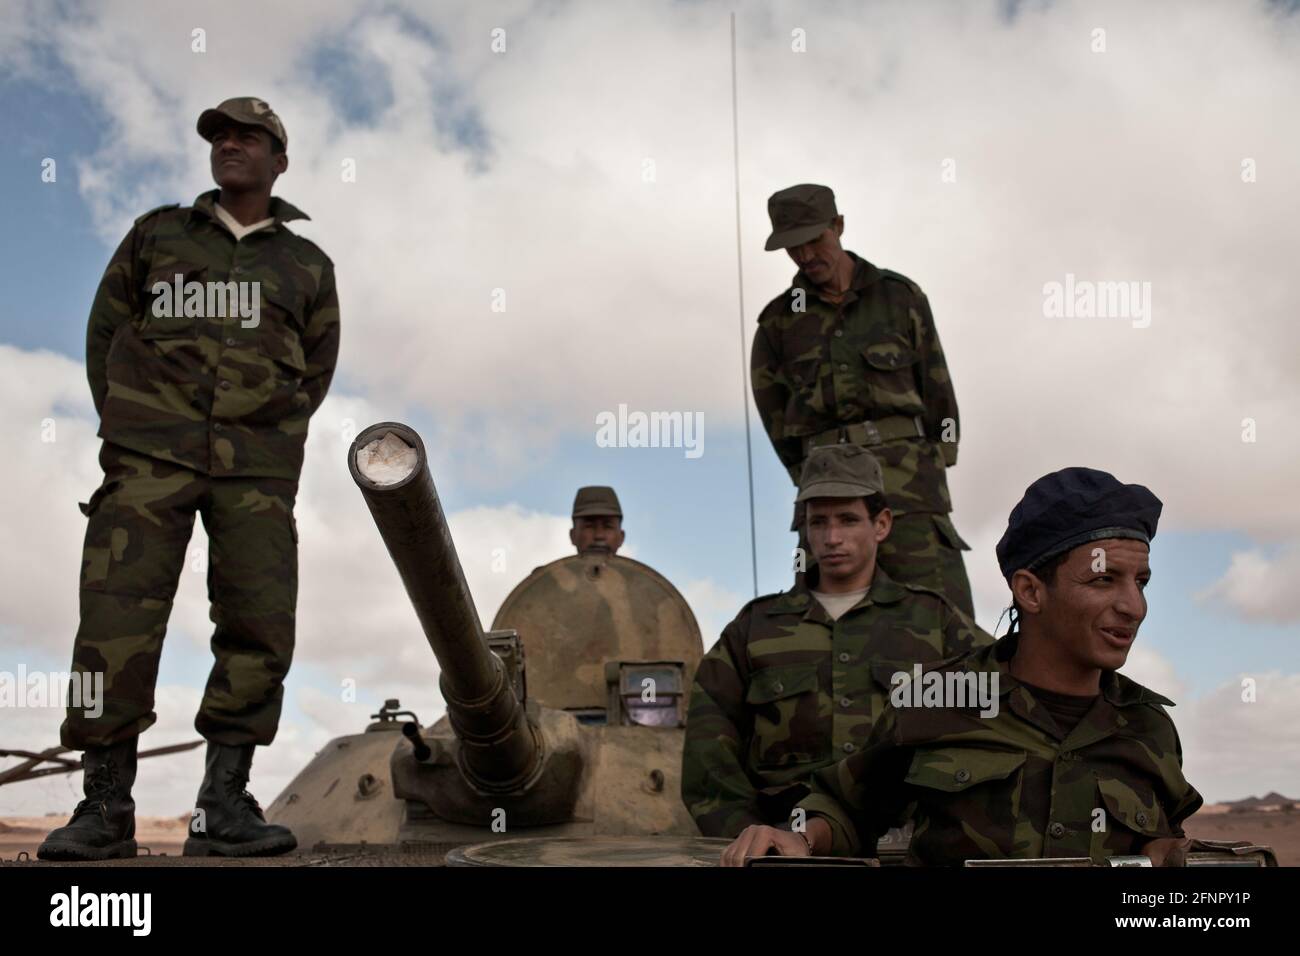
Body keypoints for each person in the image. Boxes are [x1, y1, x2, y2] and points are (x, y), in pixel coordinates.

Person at [39, 97, 340, 861]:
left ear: (280, 160)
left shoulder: (307, 266)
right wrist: (133, 423)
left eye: (250, 137)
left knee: (260, 625)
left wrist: (272, 433)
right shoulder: (156, 234)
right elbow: (105, 331)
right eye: (221, 137)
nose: (231, 146)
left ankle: (222, 808)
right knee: (110, 629)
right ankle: (103, 808)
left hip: (257, 473)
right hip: (148, 459)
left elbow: (317, 367)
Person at [721, 467, 1202, 867]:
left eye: (1140, 582)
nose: (1133, 606)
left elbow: (1160, 847)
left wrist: (1164, 852)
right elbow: (848, 806)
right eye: (1104, 580)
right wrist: (797, 838)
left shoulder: (1149, 729)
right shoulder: (938, 701)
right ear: (1031, 591)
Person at [682, 445, 990, 837]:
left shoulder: (935, 621)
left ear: (881, 524)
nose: (831, 538)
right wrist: (749, 836)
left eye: (847, 520)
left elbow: (999, 708)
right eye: (818, 522)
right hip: (782, 847)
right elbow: (708, 748)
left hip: (908, 844)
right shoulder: (755, 627)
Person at [751, 184, 973, 617]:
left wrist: (938, 459)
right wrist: (809, 476)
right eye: (793, 247)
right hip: (828, 485)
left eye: (815, 240)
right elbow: (774, 415)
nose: (807, 255)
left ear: (839, 225)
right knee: (827, 616)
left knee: (940, 615)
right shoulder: (778, 322)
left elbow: (936, 385)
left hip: (909, 483)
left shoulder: (900, 297)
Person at [570, 486, 625, 556]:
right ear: (573, 535)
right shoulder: (553, 567)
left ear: (621, 537)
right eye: (589, 526)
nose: (599, 536)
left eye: (608, 527)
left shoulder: (640, 567)